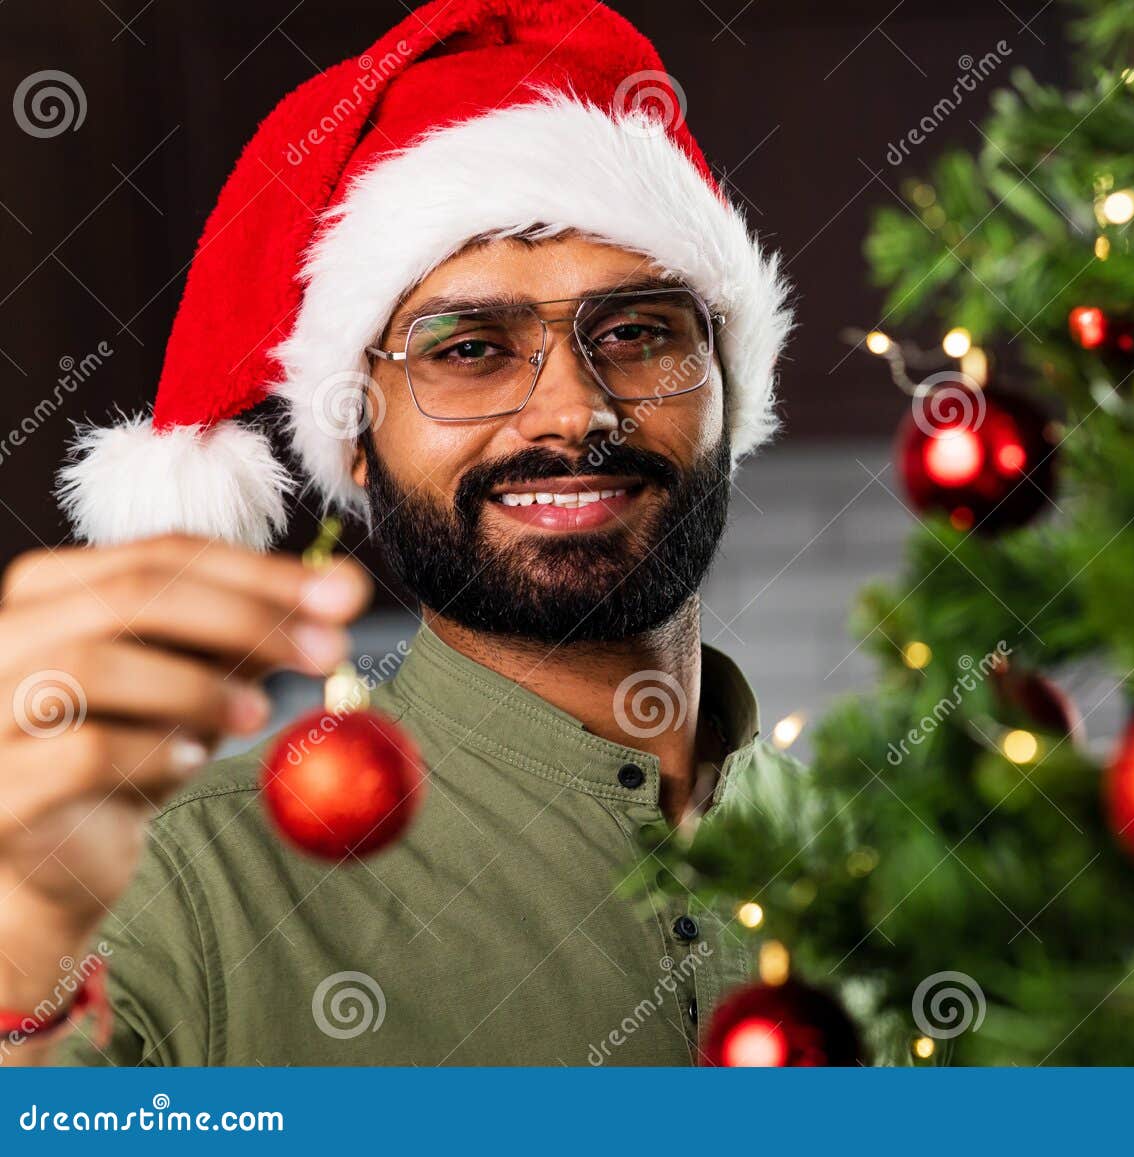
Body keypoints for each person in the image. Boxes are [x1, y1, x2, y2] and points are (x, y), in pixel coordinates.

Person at [0, 0, 796, 1066]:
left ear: (728, 388)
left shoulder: (945, 829)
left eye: (639, 331)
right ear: (356, 435)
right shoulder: (167, 887)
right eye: (468, 348)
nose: (573, 411)